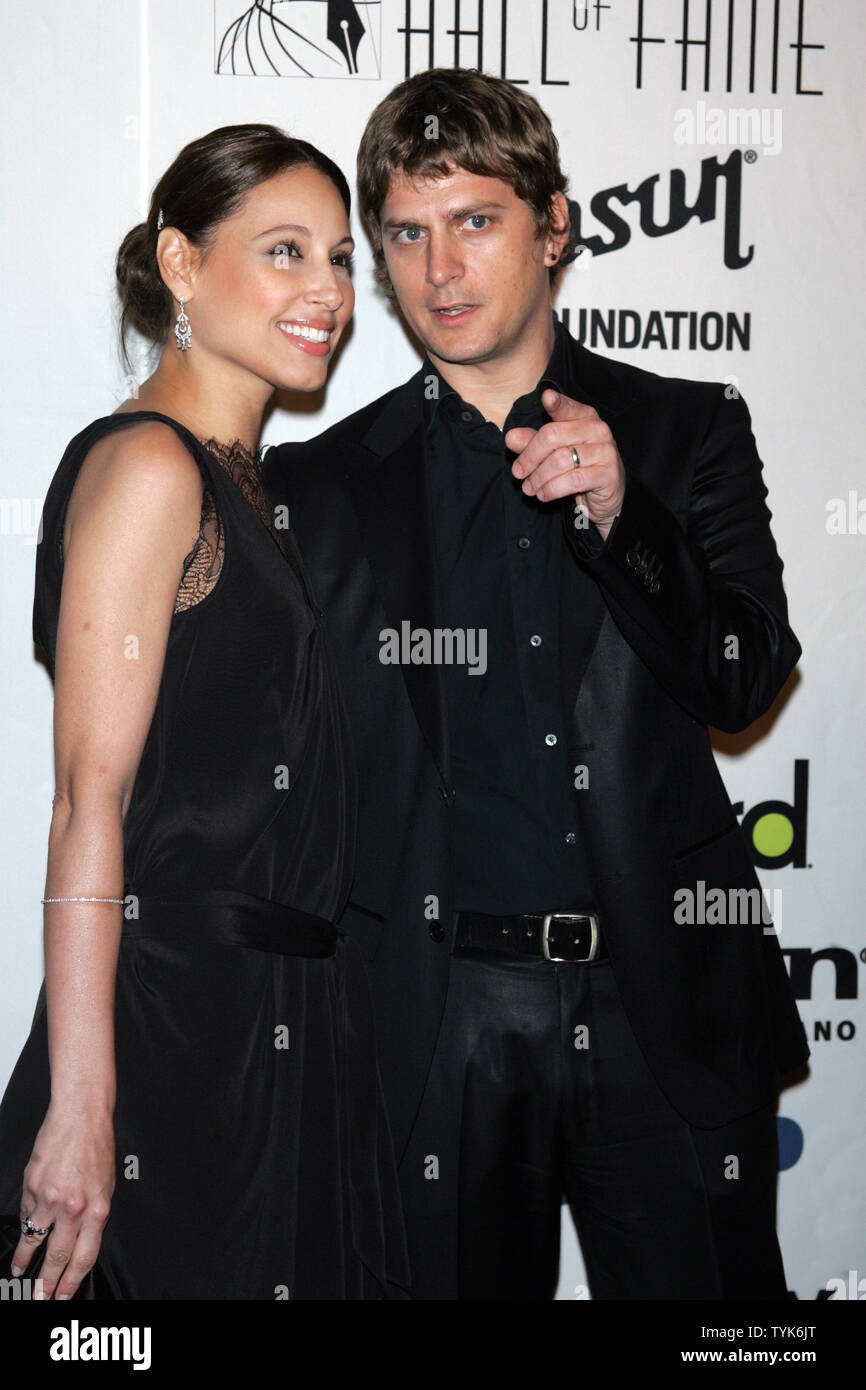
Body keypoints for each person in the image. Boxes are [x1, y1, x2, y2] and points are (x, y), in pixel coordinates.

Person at [263, 69, 810, 1300]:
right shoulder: (325, 487)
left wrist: (626, 520)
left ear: (554, 227)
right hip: (434, 1019)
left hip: (657, 1003)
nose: (437, 270)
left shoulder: (686, 428)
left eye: (474, 221)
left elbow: (741, 678)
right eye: (404, 232)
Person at [0, 123, 409, 1301]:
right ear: (181, 264)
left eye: (338, 259)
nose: (326, 291)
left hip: (278, 1021)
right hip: (179, 1027)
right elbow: (89, 801)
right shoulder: (152, 471)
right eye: (284, 252)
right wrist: (85, 1107)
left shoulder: (245, 483)